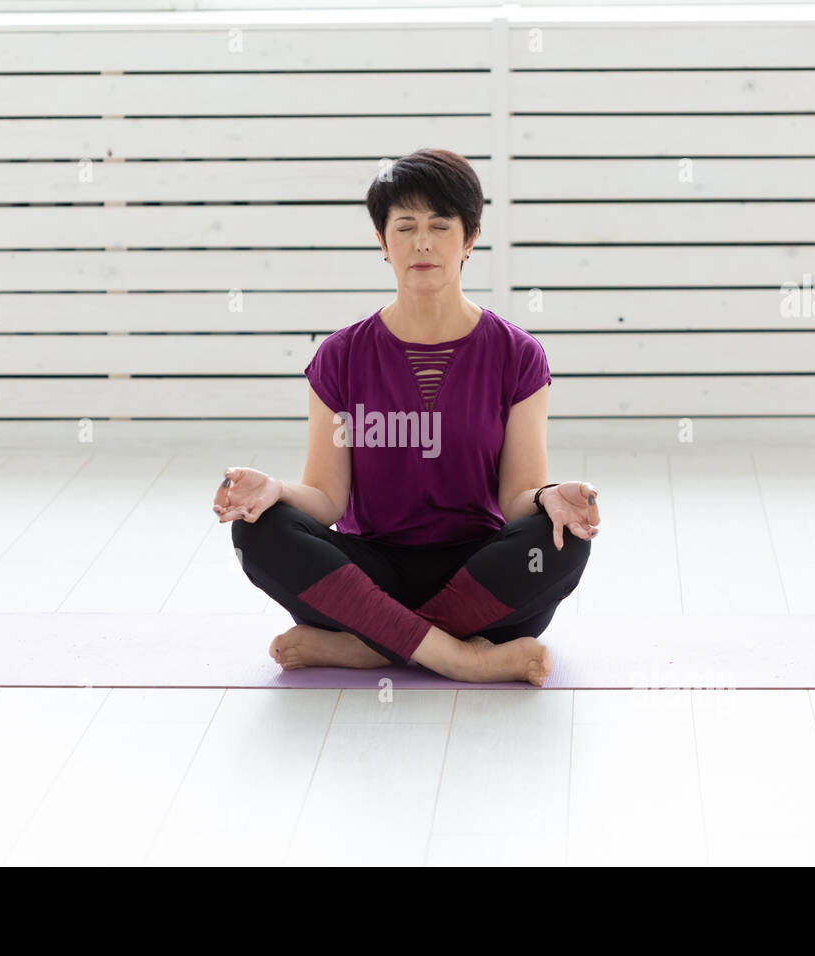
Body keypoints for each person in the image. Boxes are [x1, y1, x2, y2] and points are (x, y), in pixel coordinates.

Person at [213, 148, 598, 686]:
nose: (422, 242)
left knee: (564, 539)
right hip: (366, 575)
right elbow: (326, 500)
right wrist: (273, 490)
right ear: (382, 241)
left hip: (479, 577)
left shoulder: (518, 354)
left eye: (441, 225)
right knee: (258, 532)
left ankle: (365, 647)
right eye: (406, 226)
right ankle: (462, 657)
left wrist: (547, 498)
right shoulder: (340, 355)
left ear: (469, 240)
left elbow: (518, 498)